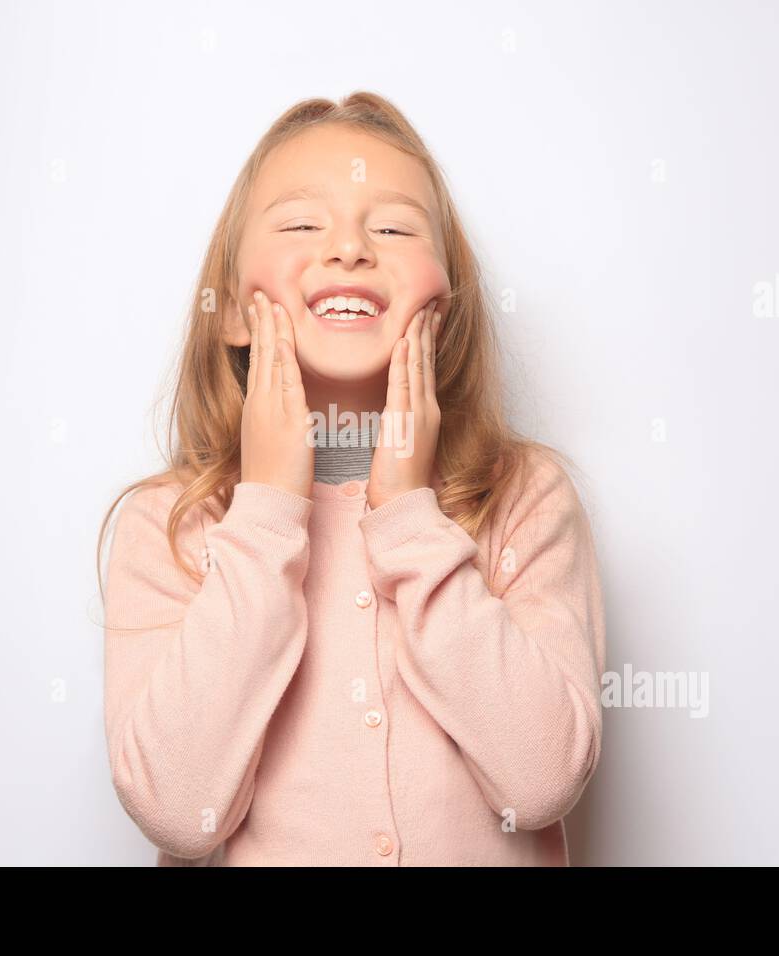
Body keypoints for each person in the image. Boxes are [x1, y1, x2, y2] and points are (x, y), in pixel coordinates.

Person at [97, 91, 606, 866]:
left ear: (447, 305)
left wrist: (407, 513)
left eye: (394, 227)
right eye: (303, 224)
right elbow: (177, 810)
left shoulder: (524, 501)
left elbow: (540, 782)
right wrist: (266, 510)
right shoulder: (174, 526)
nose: (350, 249)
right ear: (233, 310)